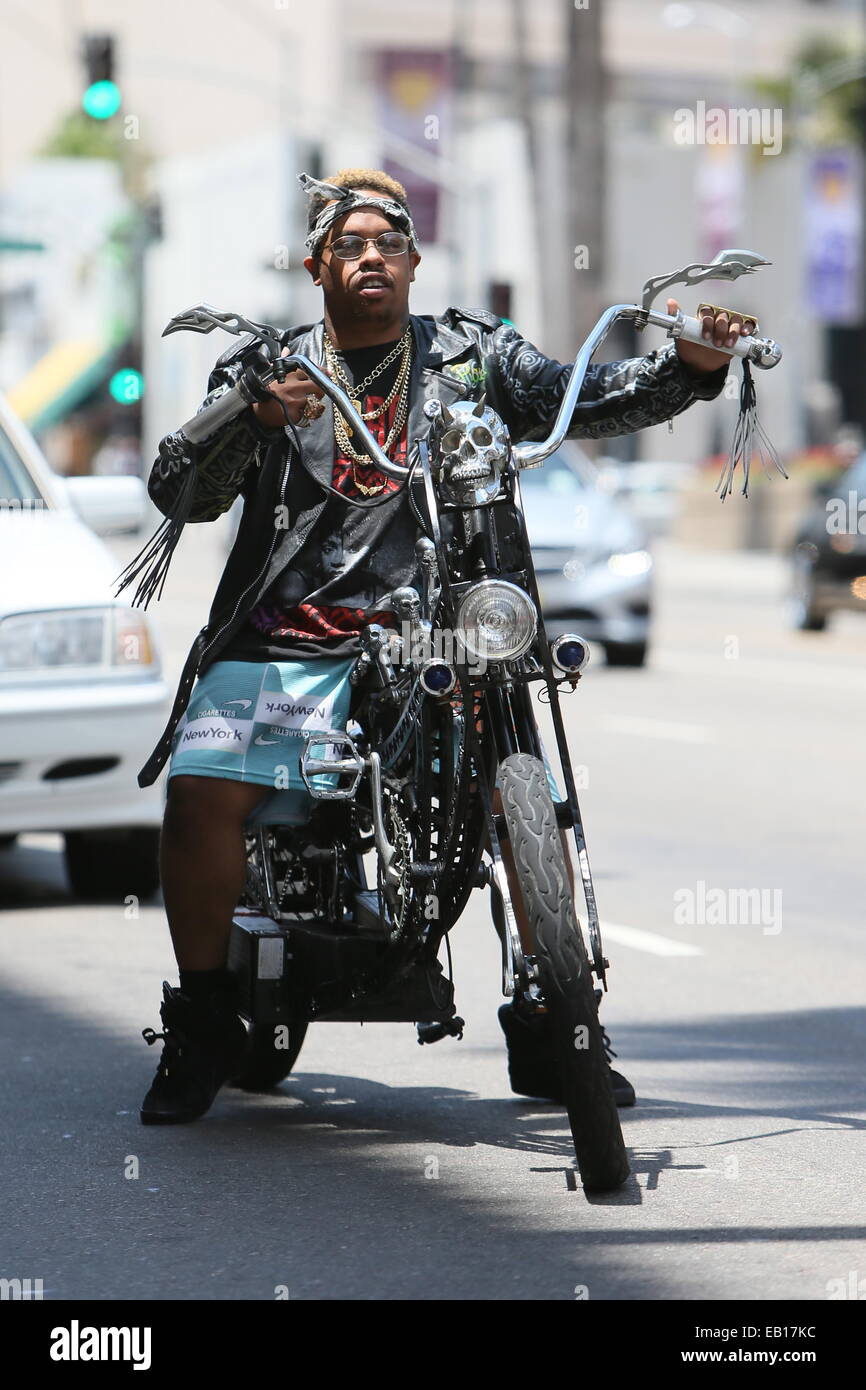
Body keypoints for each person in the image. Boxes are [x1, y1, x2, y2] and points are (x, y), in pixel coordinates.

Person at [128, 168, 744, 1125]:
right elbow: (182, 491)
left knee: (517, 788)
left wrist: (689, 370)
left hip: (441, 633)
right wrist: (248, 416)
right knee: (203, 793)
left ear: (414, 262)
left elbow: (578, 399)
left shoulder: (470, 354)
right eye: (349, 245)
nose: (370, 257)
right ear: (315, 265)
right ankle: (205, 1017)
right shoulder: (272, 367)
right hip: (292, 635)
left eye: (387, 244)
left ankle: (554, 1023)